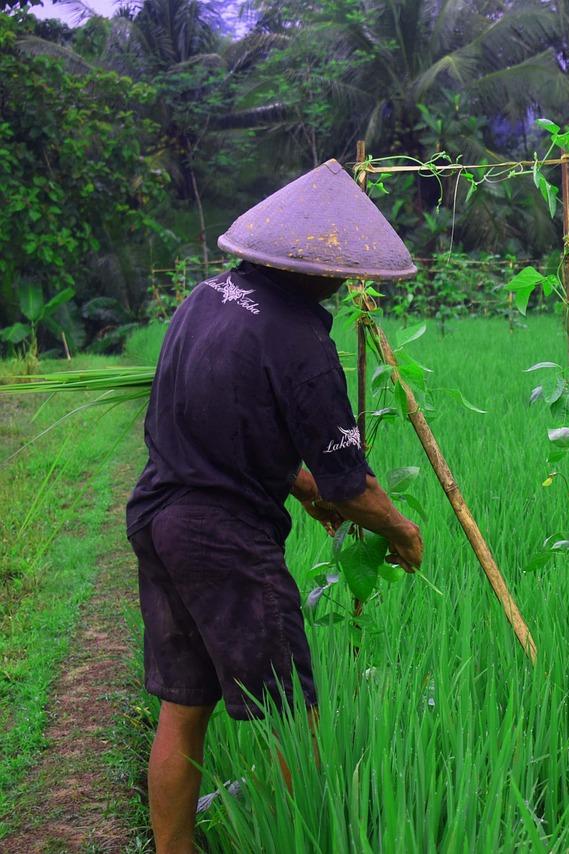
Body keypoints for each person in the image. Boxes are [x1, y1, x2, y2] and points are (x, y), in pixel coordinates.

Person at [124, 159, 423, 854]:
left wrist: (298, 484)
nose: (350, 280)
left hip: (157, 515)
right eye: (345, 270)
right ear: (321, 270)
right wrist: (402, 529)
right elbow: (351, 483)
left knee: (183, 707)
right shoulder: (301, 343)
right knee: (294, 713)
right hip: (221, 542)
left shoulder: (207, 297)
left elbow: (223, 419)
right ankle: (301, 838)